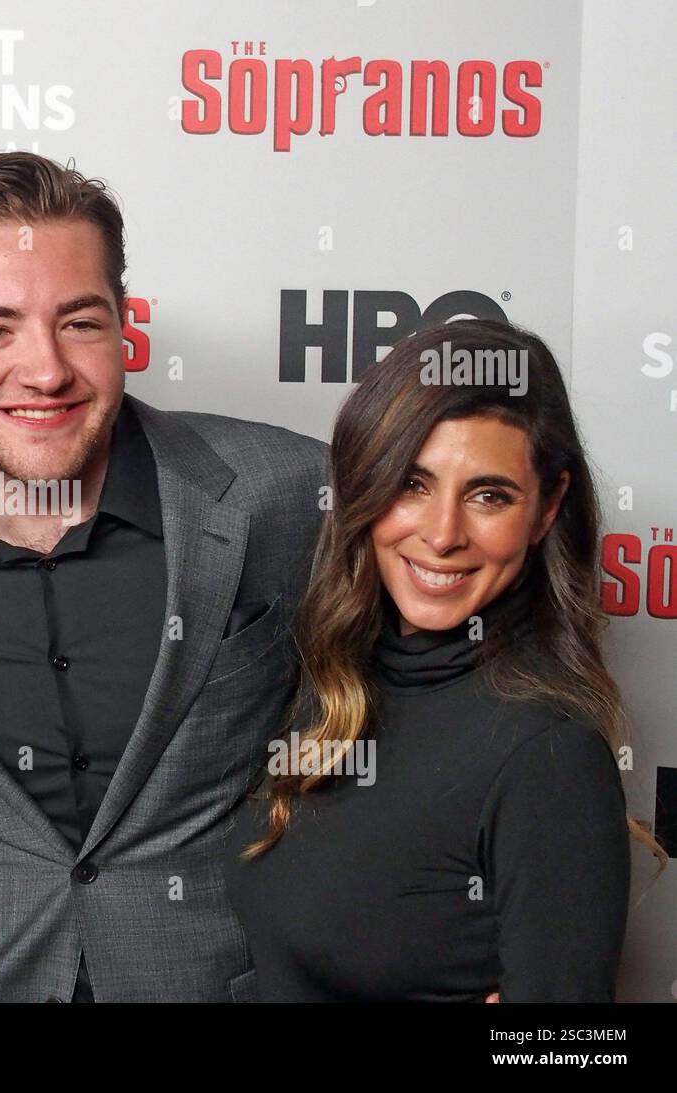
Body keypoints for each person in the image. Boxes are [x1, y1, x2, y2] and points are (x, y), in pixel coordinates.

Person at [0, 152, 327, 1001]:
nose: (45, 370)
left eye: (80, 322)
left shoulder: (288, 494)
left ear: (123, 323)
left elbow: (424, 717)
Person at [223, 318, 664, 1002]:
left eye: (490, 495)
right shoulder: (332, 677)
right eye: (412, 483)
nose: (442, 533)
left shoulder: (547, 757)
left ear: (546, 509)